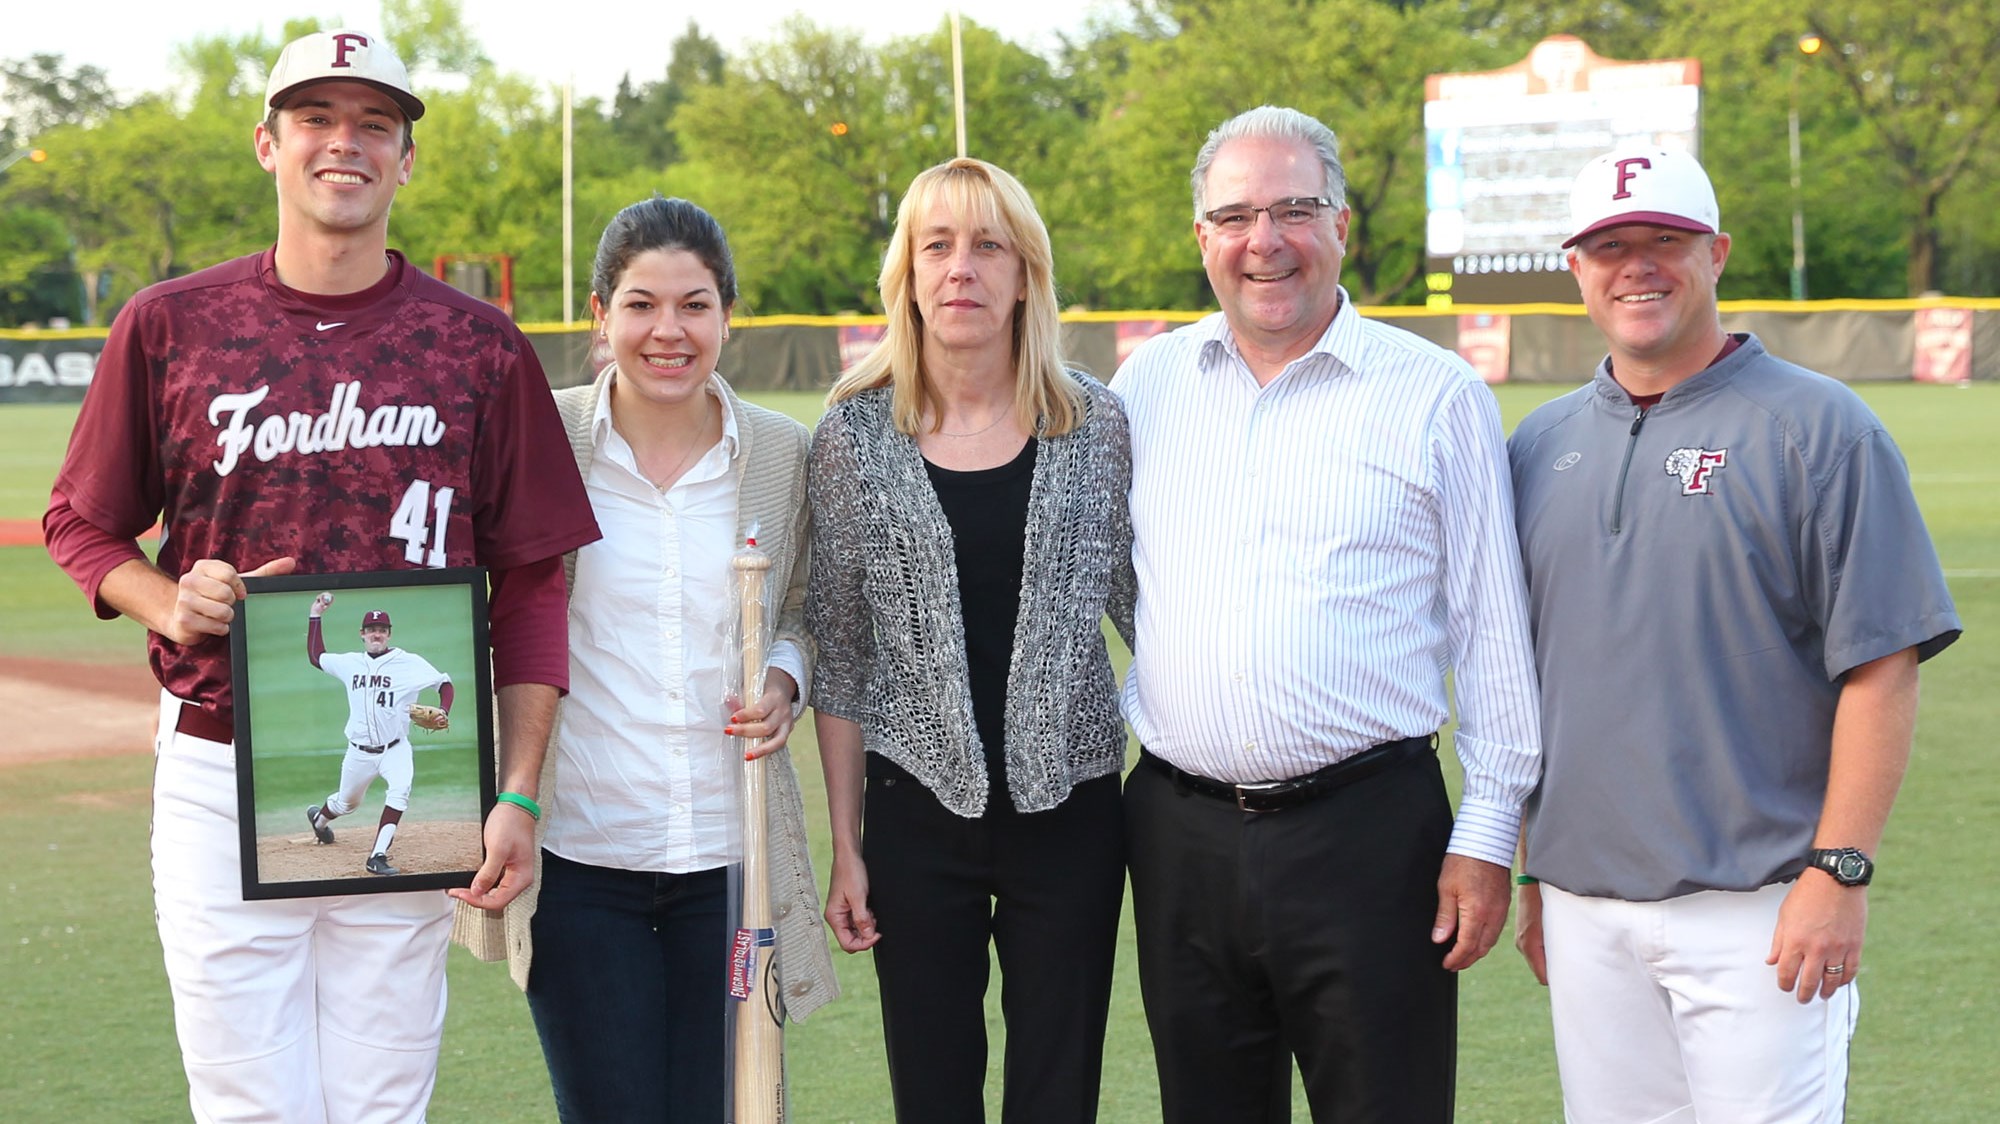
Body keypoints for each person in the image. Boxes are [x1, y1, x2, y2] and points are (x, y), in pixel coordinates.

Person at [41, 28, 599, 1122]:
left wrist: (519, 789)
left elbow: (532, 585)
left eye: (373, 124)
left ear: (405, 159)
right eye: (315, 119)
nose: (344, 143)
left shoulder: (479, 346)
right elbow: (82, 523)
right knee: (249, 1101)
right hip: (217, 762)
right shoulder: (170, 325)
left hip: (428, 774)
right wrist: (169, 597)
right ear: (268, 143)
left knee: (382, 1096)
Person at [1508, 146, 1962, 1122]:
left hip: (1760, 904)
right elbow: (1531, 678)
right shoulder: (1535, 444)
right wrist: (1533, 872)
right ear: (1574, 270)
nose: (1637, 265)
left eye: (1664, 241)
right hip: (1585, 907)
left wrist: (1837, 871)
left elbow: (1881, 669)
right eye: (1608, 245)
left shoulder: (1819, 428)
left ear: (1715, 252)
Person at [1109, 105, 1541, 1123]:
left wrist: (1485, 832)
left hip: (1369, 836)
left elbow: (1490, 633)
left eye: (1293, 208)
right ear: (1201, 239)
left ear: (1340, 224)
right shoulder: (1144, 387)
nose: (1264, 240)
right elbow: (1125, 587)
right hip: (1179, 833)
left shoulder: (1433, 394)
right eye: (1235, 215)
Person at [450, 195, 839, 1121]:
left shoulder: (781, 453)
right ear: (600, 314)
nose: (669, 331)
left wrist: (786, 678)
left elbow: (803, 609)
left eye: (695, 305)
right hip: (583, 861)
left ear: (728, 315)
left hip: (728, 863)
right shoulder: (535, 437)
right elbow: (483, 606)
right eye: (640, 304)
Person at [806, 156, 1132, 1122]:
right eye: (936, 246)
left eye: (989, 245)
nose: (962, 269)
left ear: (1026, 272)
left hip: (1070, 814)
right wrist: (847, 847)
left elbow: (1147, 611)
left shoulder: (1096, 426)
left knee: (1056, 1093)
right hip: (915, 816)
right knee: (933, 1094)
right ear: (905, 273)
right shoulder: (853, 434)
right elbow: (841, 651)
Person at [305, 598, 454, 877]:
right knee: (346, 804)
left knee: (400, 791)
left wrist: (444, 710)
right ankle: (319, 820)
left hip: (395, 749)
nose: (377, 634)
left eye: (382, 629)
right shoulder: (350, 663)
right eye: (371, 629)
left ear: (389, 633)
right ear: (362, 634)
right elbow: (317, 657)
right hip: (359, 753)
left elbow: (444, 683)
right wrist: (315, 615)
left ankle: (377, 856)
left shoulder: (409, 663)